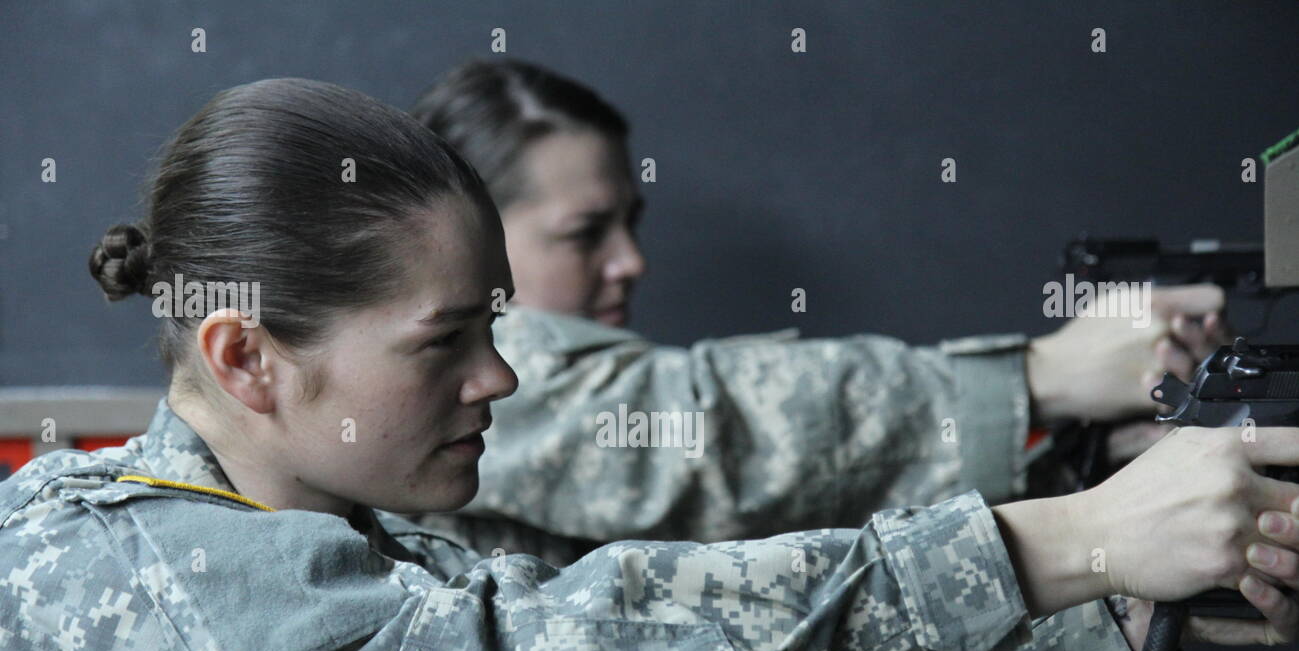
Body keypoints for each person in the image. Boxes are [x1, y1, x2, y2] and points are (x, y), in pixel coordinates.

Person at [1, 78, 1293, 651]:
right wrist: (1069, 541)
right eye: (446, 341)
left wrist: (1115, 645)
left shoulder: (391, 564)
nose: (502, 379)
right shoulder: (92, 575)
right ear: (248, 357)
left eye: (496, 329)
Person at [402, 58, 1229, 570]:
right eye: (586, 235)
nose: (632, 262)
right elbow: (701, 436)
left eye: (632, 223)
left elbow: (789, 538)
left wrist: (1074, 462)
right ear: (468, 245)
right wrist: (1037, 378)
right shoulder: (458, 379)